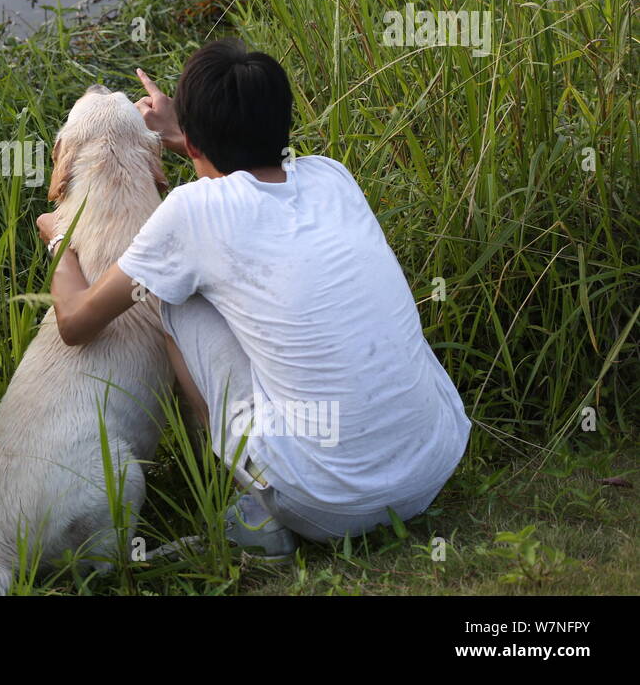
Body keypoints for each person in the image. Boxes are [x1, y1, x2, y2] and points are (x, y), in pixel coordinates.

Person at [35, 39, 471, 558]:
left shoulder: (190, 211)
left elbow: (76, 322)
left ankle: (258, 510)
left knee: (173, 298)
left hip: (331, 503)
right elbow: (248, 176)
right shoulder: (334, 176)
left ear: (192, 140)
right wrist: (193, 138)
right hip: (434, 460)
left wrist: (61, 240)